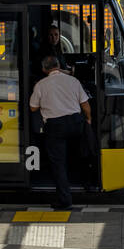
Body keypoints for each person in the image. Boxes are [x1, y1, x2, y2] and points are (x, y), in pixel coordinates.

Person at [29, 54, 91, 210]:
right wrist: (88, 120)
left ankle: (65, 200)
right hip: (76, 124)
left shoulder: (41, 85)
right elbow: (85, 104)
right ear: (58, 66)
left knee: (58, 164)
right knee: (79, 153)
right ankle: (87, 182)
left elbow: (33, 107)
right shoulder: (73, 81)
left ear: (44, 69)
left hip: (55, 127)